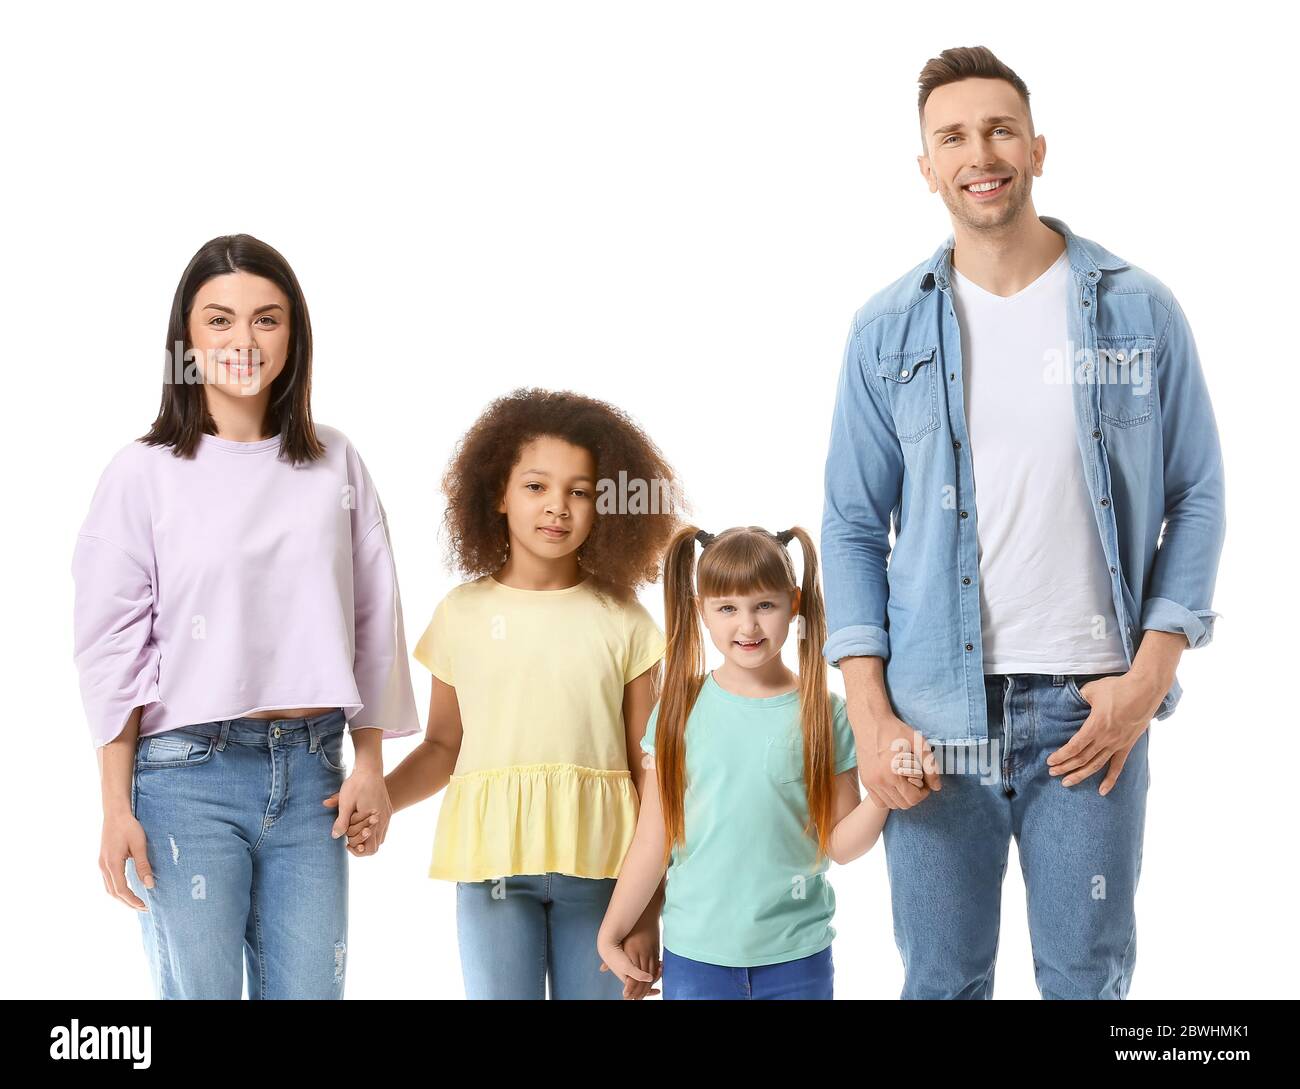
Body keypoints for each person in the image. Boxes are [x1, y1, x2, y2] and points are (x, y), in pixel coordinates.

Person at [820, 46, 1226, 999]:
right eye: (952, 136)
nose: (980, 151)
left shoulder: (1138, 310)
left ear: (1037, 147)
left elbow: (1196, 494)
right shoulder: (887, 332)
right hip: (932, 716)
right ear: (927, 169)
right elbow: (848, 526)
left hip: (1090, 710)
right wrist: (872, 718)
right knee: (941, 981)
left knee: (1087, 980)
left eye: (999, 128)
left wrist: (1150, 675)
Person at [72, 234, 421, 999]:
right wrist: (112, 804)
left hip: (311, 782)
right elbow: (111, 650)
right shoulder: (143, 474)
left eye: (267, 319)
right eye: (219, 320)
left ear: (293, 336)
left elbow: (373, 619)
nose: (243, 340)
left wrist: (370, 762)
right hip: (184, 779)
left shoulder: (336, 461)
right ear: (187, 340)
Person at [362, 388, 683, 999]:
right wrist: (384, 803)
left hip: (607, 877)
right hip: (492, 872)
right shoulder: (461, 614)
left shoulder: (626, 622)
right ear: (497, 496)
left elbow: (652, 775)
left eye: (580, 492)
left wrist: (646, 911)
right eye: (536, 486)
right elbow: (441, 747)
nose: (557, 507)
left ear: (606, 505)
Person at [598, 525, 919, 1000]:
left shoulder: (825, 713)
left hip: (797, 961)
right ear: (701, 609)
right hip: (695, 958)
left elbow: (841, 844)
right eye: (727, 608)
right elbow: (653, 838)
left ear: (794, 603)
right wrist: (613, 930)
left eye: (763, 606)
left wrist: (884, 795)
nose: (747, 627)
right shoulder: (677, 709)